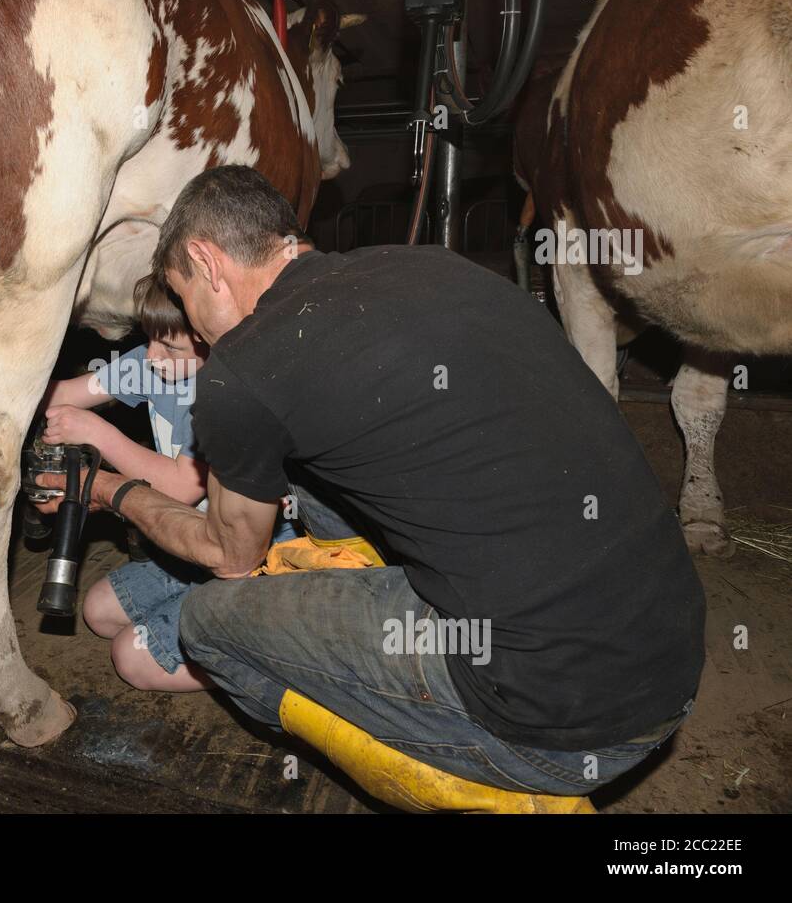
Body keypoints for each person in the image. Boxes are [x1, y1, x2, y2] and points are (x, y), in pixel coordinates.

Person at [44, 165, 705, 800]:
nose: (190, 328)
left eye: (185, 298)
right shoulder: (429, 266)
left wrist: (109, 491)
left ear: (208, 262)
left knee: (209, 620)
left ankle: (423, 745)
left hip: (550, 722)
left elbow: (229, 556)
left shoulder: (242, 371)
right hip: (668, 659)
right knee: (311, 477)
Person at [41, 277, 297, 692]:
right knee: (98, 612)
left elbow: (181, 488)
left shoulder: (228, 395)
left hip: (256, 560)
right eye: (150, 339)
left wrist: (97, 433)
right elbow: (65, 395)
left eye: (170, 348)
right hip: (191, 546)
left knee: (130, 659)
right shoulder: (153, 359)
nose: (153, 357)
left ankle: (259, 660)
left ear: (211, 339)